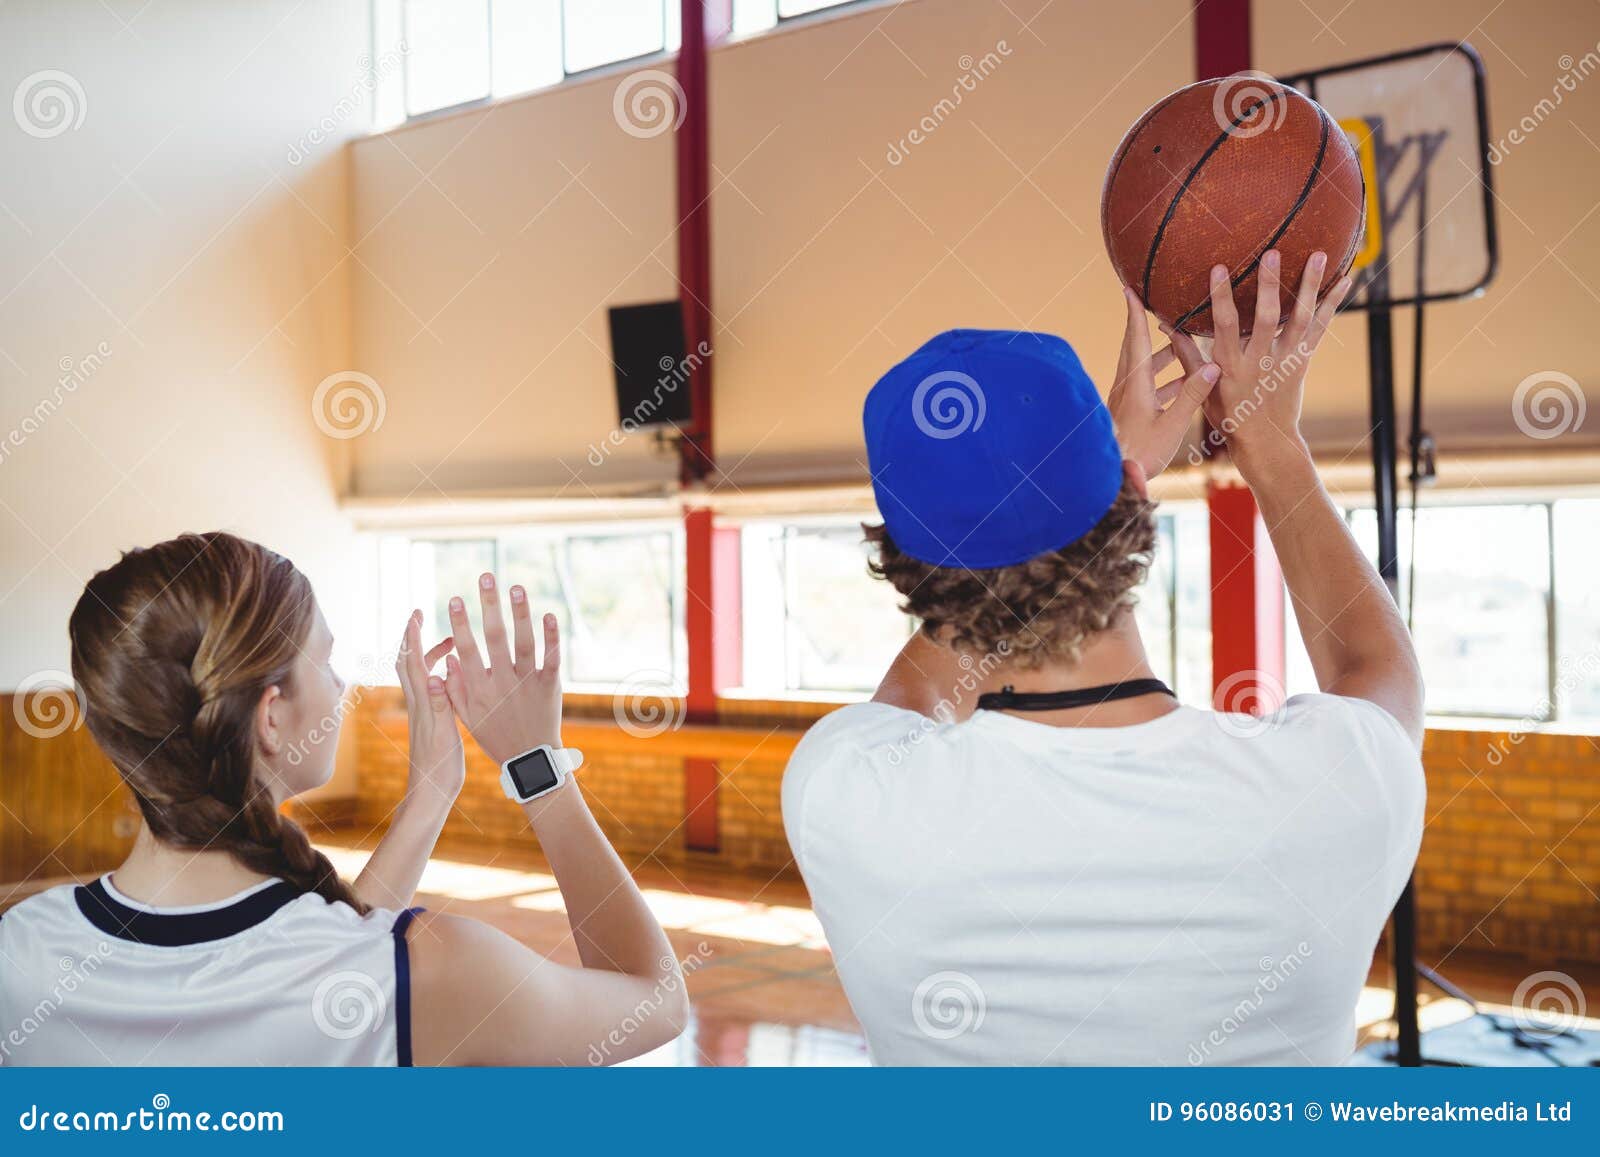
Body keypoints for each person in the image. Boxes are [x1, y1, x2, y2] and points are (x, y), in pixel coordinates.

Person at [783, 251, 1426, 1065]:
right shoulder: (1337, 787)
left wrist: (1088, 499)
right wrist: (1270, 440)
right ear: (1128, 487)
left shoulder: (839, 793)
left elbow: (916, 686)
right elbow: (1379, 664)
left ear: (906, 569)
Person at [0, 532, 687, 1066]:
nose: (341, 686)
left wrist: (430, 794)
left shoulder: (21, 948)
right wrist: (537, 765)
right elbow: (653, 998)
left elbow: (328, 962)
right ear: (270, 716)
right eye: (326, 662)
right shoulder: (438, 970)